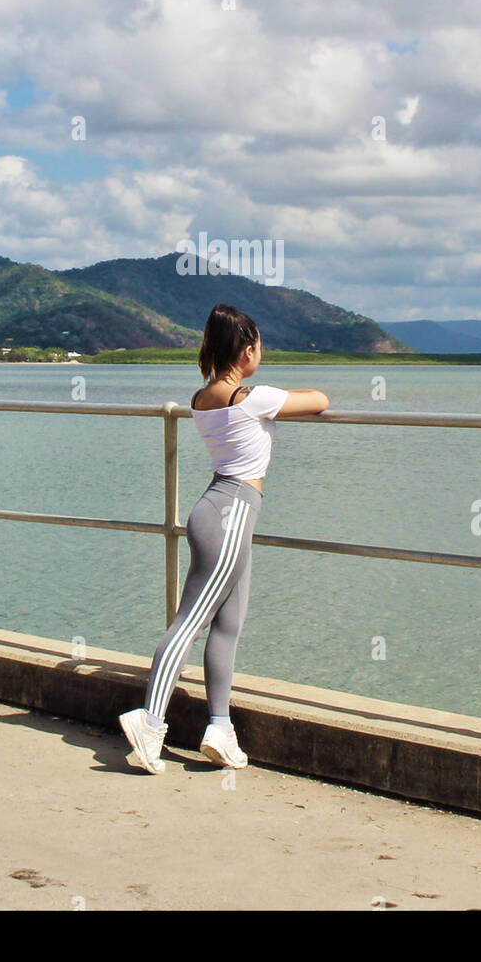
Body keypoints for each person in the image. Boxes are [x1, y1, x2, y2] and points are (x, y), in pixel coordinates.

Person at [119, 303, 329, 774]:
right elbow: (319, 399)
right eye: (259, 346)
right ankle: (149, 723)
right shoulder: (250, 398)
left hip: (223, 508)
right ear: (247, 350)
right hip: (231, 513)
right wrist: (275, 391)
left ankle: (219, 728)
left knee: (228, 625)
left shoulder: (203, 397)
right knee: (190, 622)